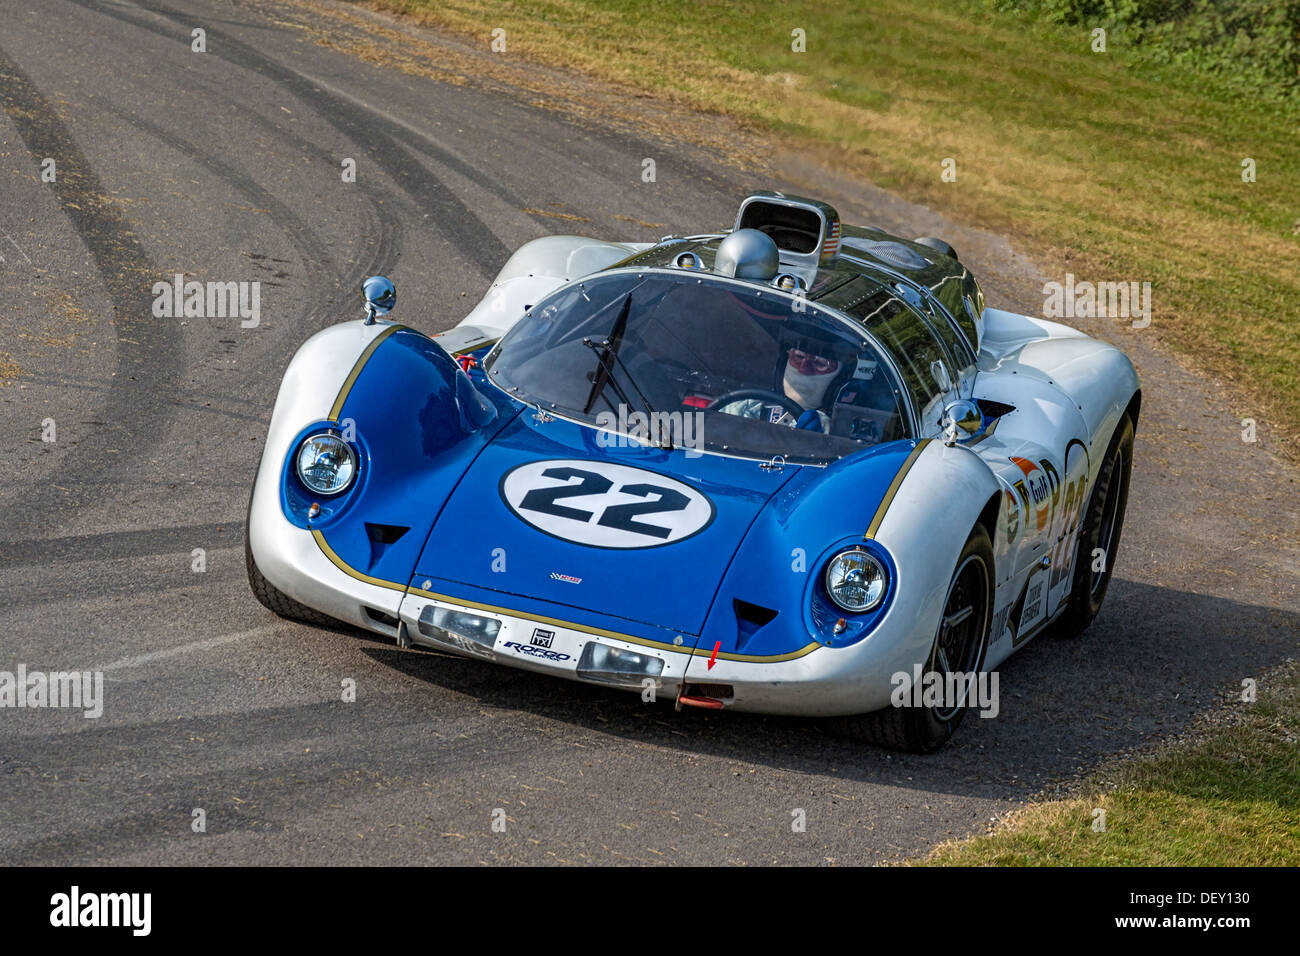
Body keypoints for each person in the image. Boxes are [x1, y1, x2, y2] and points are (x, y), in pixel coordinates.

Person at [715, 340, 848, 432]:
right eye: (799, 357)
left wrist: (819, 441)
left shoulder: (832, 429)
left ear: (839, 379)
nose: (803, 368)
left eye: (820, 364)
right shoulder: (746, 407)